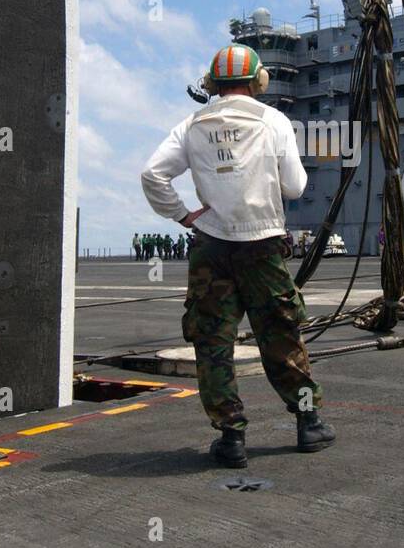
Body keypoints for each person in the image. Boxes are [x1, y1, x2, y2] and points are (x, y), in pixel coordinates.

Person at [141, 44, 333, 468]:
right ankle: (308, 424)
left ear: (213, 83)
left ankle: (231, 438)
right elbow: (296, 187)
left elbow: (152, 174)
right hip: (263, 245)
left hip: (212, 247)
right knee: (281, 335)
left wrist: (184, 215)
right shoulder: (274, 121)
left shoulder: (191, 124)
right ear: (258, 80)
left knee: (213, 343)